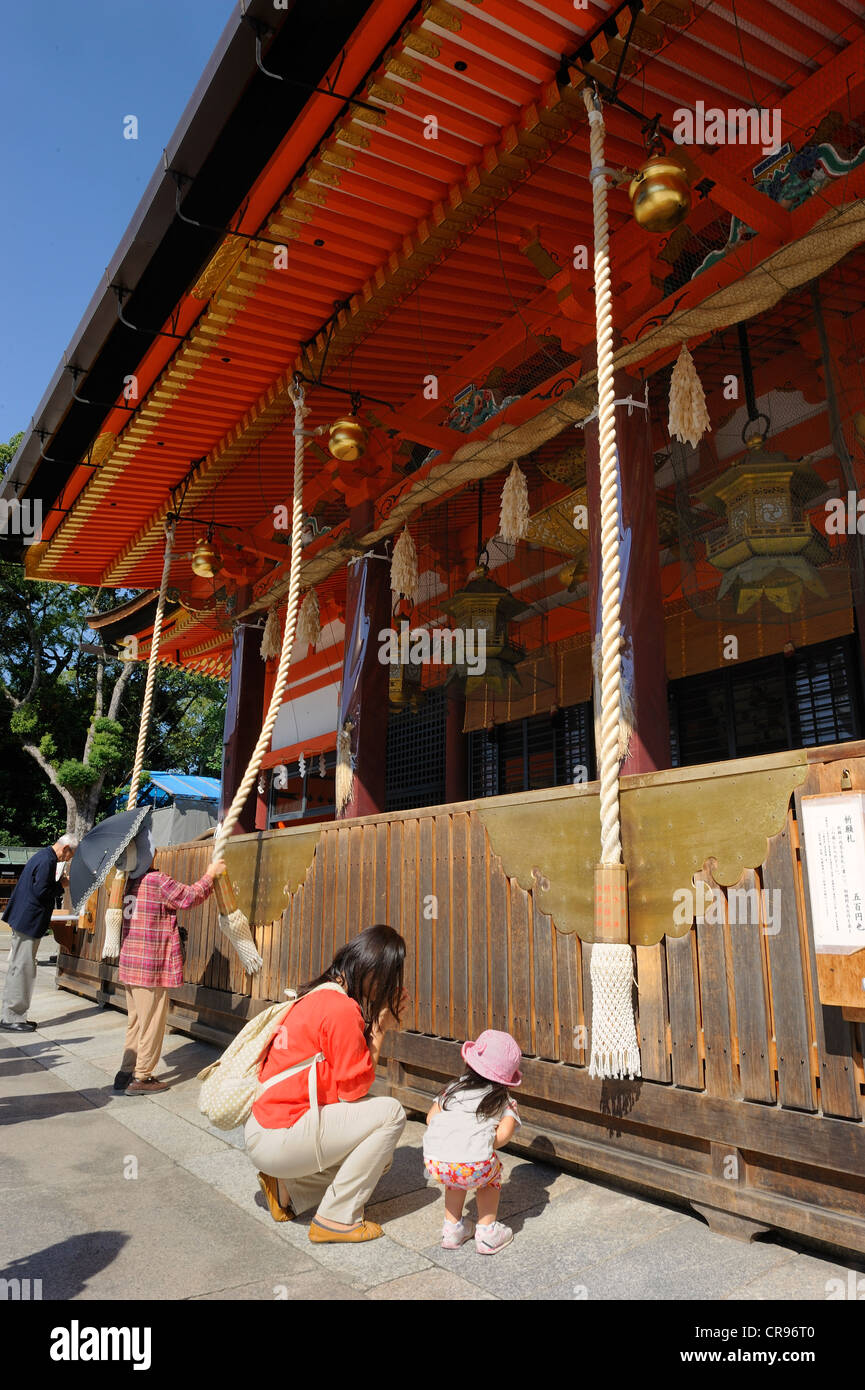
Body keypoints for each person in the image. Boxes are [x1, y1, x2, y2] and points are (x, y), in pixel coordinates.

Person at [245, 924, 408, 1244]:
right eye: (390, 978)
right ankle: (336, 1218)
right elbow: (354, 1091)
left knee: (381, 1156)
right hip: (281, 1135)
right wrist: (379, 1030)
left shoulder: (320, 994)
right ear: (375, 974)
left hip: (267, 1129)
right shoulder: (341, 1009)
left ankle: (285, 1190)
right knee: (391, 1114)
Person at [114, 857, 225, 1095]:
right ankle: (142, 1077)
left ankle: (126, 1072)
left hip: (130, 961)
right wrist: (211, 874)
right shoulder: (155, 879)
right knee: (152, 1022)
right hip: (150, 963)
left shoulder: (128, 880)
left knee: (135, 1022)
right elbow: (188, 897)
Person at [423, 1029, 523, 1255]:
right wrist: (501, 1125)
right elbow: (501, 1137)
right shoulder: (502, 1099)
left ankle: (452, 1229)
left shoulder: (452, 1089)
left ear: (470, 1063)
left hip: (437, 1163)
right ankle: (487, 1233)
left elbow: (431, 1118)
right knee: (491, 1176)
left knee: (456, 1174)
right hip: (474, 1166)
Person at [0, 835, 78, 1032]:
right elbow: (41, 891)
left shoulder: (42, 856)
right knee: (23, 968)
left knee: (19, 966)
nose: (68, 859)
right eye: (70, 855)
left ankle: (11, 1014)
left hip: (24, 919)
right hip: (29, 920)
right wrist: (62, 885)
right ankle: (12, 1017)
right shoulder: (48, 860)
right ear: (66, 848)